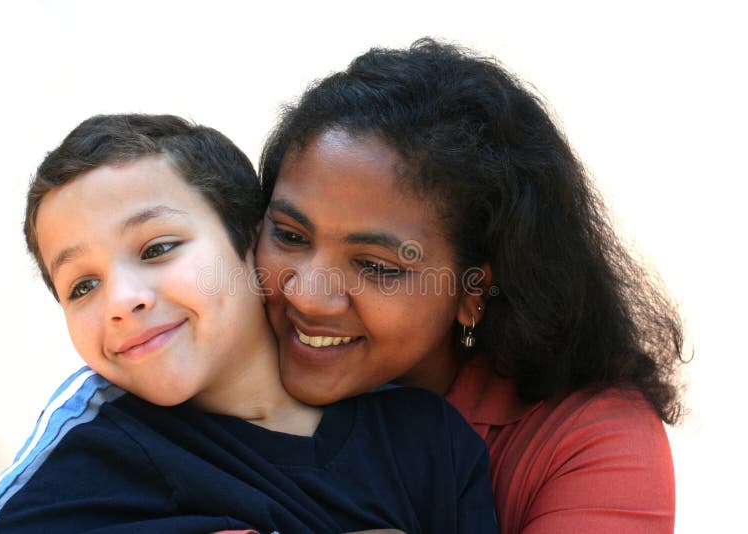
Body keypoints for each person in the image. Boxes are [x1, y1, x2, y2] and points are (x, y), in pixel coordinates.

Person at [0, 114, 496, 534]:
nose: (121, 301)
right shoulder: (90, 444)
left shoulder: (427, 441)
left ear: (249, 239)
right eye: (82, 286)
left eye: (158, 248)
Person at [253, 39, 684, 533]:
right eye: (289, 236)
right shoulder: (204, 358)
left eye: (375, 266)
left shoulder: (592, 444)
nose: (304, 294)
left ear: (473, 291)